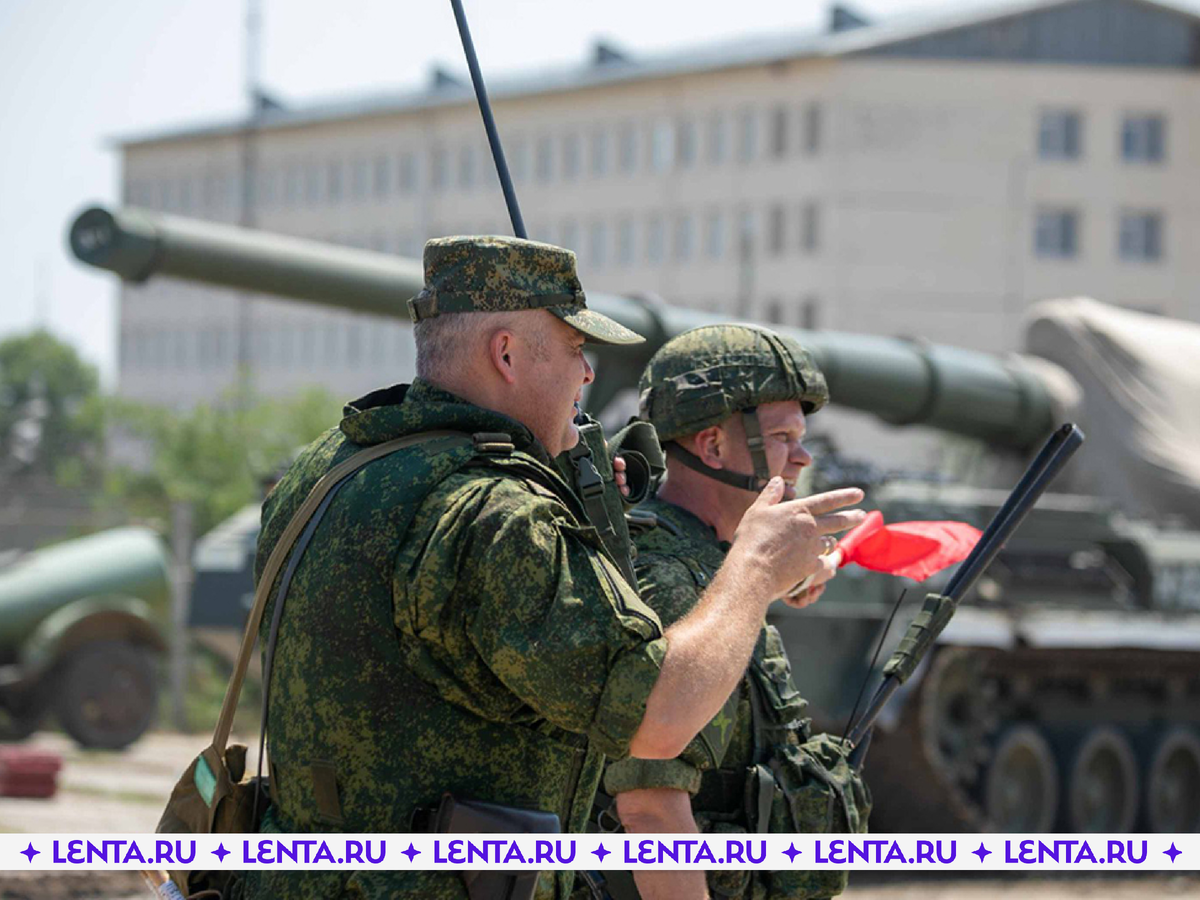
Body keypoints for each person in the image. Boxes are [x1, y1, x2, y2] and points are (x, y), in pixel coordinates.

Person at [237, 238, 864, 900]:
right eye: (573, 349)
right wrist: (757, 569)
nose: (587, 375)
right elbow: (655, 721)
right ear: (506, 353)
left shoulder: (330, 465)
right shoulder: (499, 514)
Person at [594, 324, 870, 900]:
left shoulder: (711, 559)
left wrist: (770, 580)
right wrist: (759, 576)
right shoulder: (663, 576)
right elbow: (650, 809)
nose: (803, 457)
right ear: (713, 445)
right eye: (782, 436)